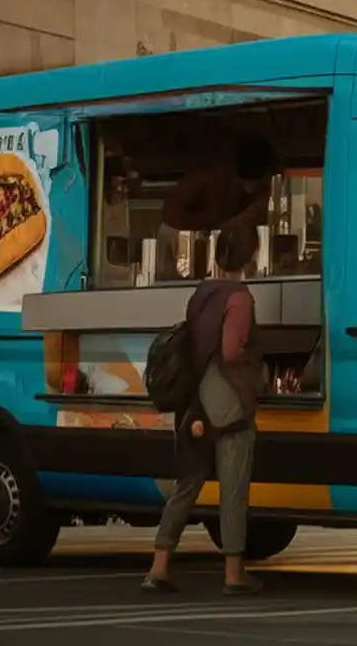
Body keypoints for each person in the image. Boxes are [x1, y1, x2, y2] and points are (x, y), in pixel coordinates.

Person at [143, 223, 265, 595]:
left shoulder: (201, 293)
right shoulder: (240, 298)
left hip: (194, 402)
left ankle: (159, 565)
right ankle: (233, 574)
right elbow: (230, 351)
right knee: (232, 489)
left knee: (188, 483)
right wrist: (255, 362)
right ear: (250, 256)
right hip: (227, 405)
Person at [162, 137, 276, 233]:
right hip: (181, 235)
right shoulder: (206, 176)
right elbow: (169, 212)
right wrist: (209, 222)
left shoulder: (256, 191)